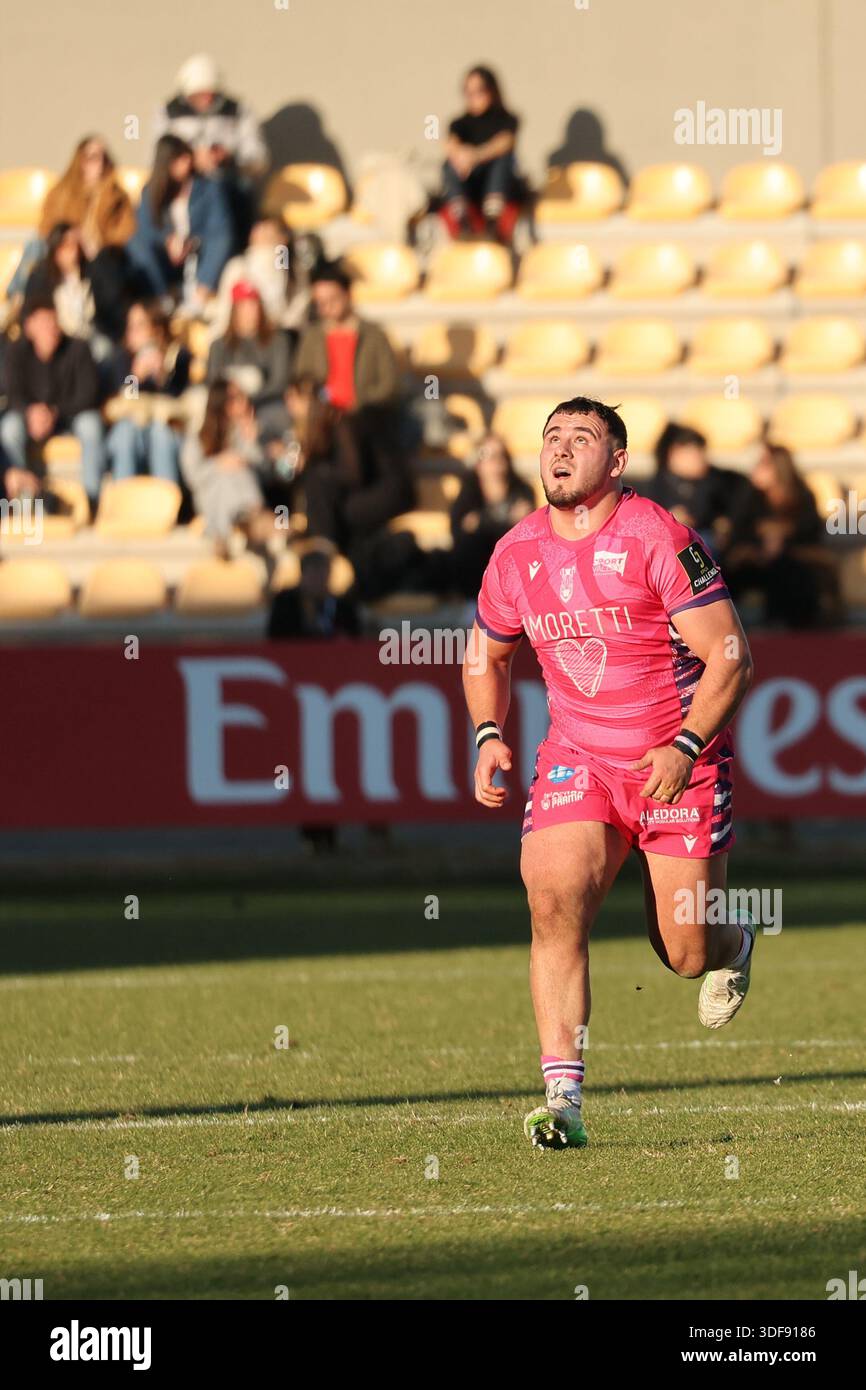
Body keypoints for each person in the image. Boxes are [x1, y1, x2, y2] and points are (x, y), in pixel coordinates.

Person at [462, 396, 755, 1149]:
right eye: (551, 437)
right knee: (554, 902)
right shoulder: (516, 552)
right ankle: (562, 1099)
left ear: (616, 462)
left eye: (580, 439)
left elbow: (730, 655)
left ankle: (736, 945)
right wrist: (489, 733)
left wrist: (687, 746)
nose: (559, 450)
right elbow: (486, 655)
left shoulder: (660, 537)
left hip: (676, 762)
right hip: (579, 760)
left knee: (686, 951)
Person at [7, 135, 135, 311]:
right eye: (92, 157)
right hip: (64, 248)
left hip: (98, 254)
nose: (98, 163)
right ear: (80, 161)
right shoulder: (63, 192)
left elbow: (123, 235)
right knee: (35, 245)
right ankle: (16, 298)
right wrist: (71, 238)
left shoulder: (117, 196)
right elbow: (47, 227)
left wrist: (94, 245)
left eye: (103, 157)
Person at [154, 53, 268, 250]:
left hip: (228, 183)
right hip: (183, 188)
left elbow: (258, 158)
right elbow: (157, 157)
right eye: (198, 95)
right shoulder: (167, 113)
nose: (205, 100)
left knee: (235, 190)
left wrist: (228, 157)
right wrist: (190, 160)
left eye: (210, 94)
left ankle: (229, 250)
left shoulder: (239, 111)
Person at [284, 377, 412, 553]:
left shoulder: (343, 424)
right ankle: (321, 547)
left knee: (328, 494)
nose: (289, 405)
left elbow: (353, 474)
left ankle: (324, 550)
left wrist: (315, 469)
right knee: (319, 487)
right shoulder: (313, 431)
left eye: (294, 399)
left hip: (388, 491)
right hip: (363, 491)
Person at [0, 295, 105, 507]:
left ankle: (92, 500)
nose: (51, 328)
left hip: (68, 416)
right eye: (43, 322)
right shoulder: (15, 352)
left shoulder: (78, 348)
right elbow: (12, 393)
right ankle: (22, 500)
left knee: (91, 425)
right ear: (29, 326)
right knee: (9, 428)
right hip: (28, 418)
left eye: (53, 321)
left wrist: (54, 412)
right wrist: (31, 412)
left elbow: (89, 394)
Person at [724, 444, 838, 628]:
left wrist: (783, 534)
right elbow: (738, 531)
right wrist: (761, 539)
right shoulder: (749, 495)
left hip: (793, 559)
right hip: (754, 558)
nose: (756, 470)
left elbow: (811, 531)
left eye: (763, 464)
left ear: (779, 468)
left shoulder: (802, 495)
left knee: (789, 571)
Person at [128, 135, 233, 310]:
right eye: (177, 159)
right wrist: (167, 240)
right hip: (166, 265)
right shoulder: (150, 192)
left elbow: (221, 232)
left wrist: (190, 244)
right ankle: (162, 299)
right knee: (135, 241)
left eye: (186, 157)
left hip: (199, 257)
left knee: (220, 240)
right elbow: (145, 229)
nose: (185, 163)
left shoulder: (209, 188)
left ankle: (201, 291)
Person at [181, 377, 273, 553]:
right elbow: (193, 478)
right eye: (236, 397)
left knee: (238, 470)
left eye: (243, 395)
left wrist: (251, 442)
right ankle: (246, 521)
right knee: (224, 477)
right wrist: (217, 464)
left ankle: (225, 533)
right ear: (221, 403)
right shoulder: (197, 438)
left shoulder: (250, 430)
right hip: (211, 497)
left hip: (241, 498)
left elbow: (266, 474)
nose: (244, 401)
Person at [104, 301, 191, 483]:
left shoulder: (178, 355)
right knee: (127, 432)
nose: (132, 332)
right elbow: (124, 402)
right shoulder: (121, 358)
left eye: (140, 325)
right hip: (132, 431)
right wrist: (136, 376)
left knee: (161, 433)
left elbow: (179, 400)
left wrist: (162, 376)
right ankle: (124, 498)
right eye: (130, 326)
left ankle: (166, 504)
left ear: (157, 330)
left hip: (166, 431)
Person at [640, 423, 755, 558]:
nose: (703, 460)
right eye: (696, 454)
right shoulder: (657, 485)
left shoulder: (721, 480)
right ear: (676, 453)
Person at [293, 262, 398, 410]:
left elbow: (389, 385)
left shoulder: (374, 335)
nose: (327, 306)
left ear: (347, 294)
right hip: (323, 412)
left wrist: (360, 401)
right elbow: (302, 375)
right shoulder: (313, 337)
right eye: (321, 302)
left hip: (364, 413)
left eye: (333, 299)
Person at [450, 432, 535, 596]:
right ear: (477, 462)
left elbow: (524, 533)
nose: (496, 460)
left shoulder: (522, 489)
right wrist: (505, 520)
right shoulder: (469, 490)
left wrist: (481, 521)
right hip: (474, 573)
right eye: (487, 454)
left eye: (501, 454)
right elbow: (459, 531)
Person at [442, 66, 520, 241]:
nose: (473, 97)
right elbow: (450, 145)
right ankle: (462, 222)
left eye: (479, 91)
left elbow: (505, 142)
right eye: (468, 92)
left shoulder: (506, 119)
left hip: (499, 186)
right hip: (470, 182)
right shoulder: (459, 123)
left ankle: (493, 222)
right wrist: (461, 157)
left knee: (502, 160)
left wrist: (476, 155)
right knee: (449, 165)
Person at [206, 281, 290, 440]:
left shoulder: (278, 340)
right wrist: (233, 402)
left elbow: (280, 382)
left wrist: (248, 401)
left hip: (266, 405)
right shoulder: (219, 345)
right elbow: (213, 383)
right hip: (227, 407)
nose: (251, 312)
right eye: (244, 306)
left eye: (254, 305)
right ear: (234, 310)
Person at [210, 215, 309, 341]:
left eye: (267, 227)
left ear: (283, 237)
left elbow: (299, 301)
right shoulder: (239, 265)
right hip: (242, 335)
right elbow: (226, 308)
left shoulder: (289, 266)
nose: (261, 231)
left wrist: (283, 327)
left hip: (279, 334)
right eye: (259, 227)